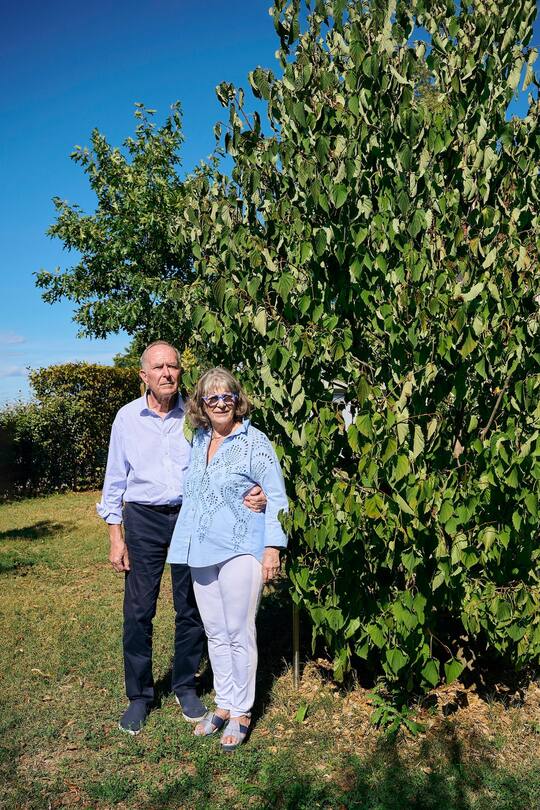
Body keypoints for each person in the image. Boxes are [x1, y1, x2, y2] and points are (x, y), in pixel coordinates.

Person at [97, 342, 266, 735]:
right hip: (142, 519)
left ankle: (185, 685)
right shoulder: (126, 419)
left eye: (173, 366)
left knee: (192, 607)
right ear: (144, 375)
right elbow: (114, 480)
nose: (167, 373)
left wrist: (254, 490)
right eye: (158, 367)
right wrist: (115, 535)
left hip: (192, 517)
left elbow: (232, 450)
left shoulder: (197, 415)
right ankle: (139, 696)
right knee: (139, 610)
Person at [166, 367, 288, 751]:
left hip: (241, 548)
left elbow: (277, 497)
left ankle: (243, 712)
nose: (220, 403)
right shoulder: (199, 439)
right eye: (211, 397)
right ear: (201, 404)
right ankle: (224, 704)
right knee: (215, 633)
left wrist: (273, 549)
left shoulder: (255, 442)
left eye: (227, 397)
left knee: (239, 632)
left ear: (238, 401)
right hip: (200, 549)